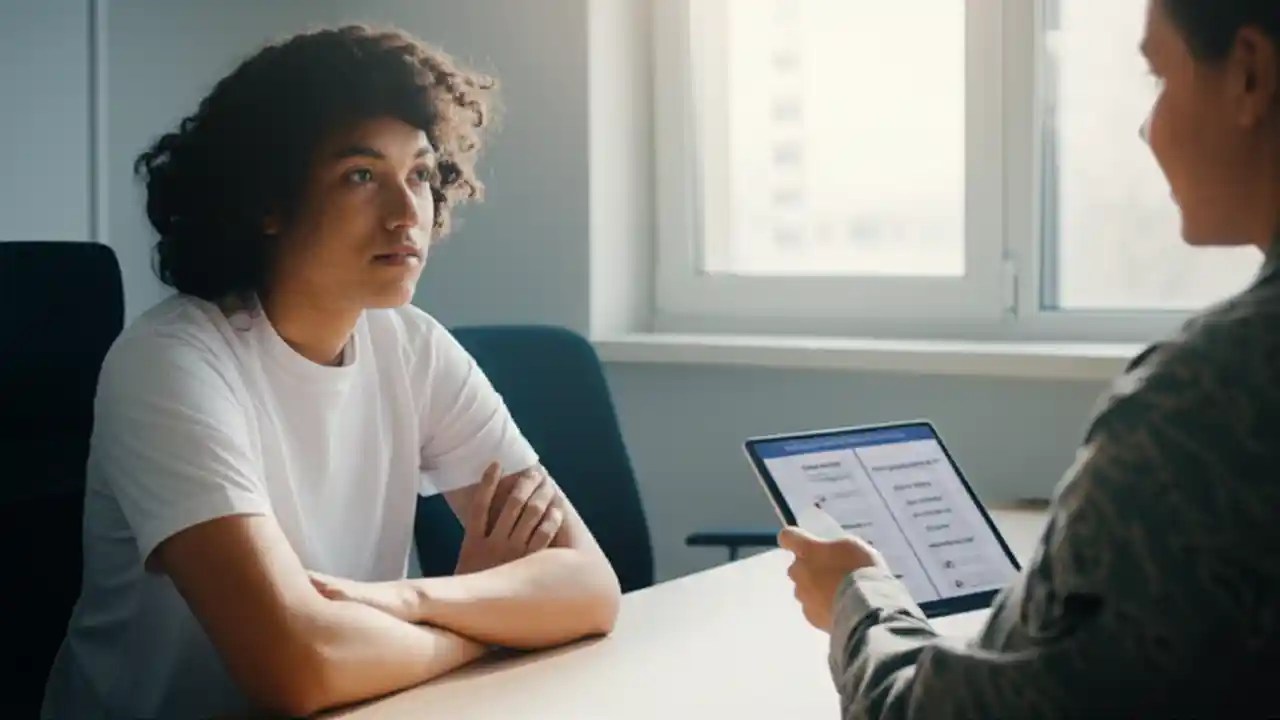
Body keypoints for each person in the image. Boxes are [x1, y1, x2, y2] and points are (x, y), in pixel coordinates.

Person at [41, 25, 621, 719]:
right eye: (361, 176)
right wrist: (490, 624)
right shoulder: (171, 363)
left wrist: (410, 600)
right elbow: (299, 667)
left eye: (419, 174)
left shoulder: (413, 345)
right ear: (267, 202)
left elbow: (590, 587)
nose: (406, 214)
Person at [779, 1, 1280, 717]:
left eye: (1159, 77)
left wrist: (858, 599)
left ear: (1249, 77)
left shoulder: (1201, 407)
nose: (1147, 128)